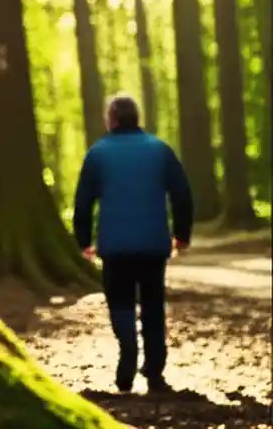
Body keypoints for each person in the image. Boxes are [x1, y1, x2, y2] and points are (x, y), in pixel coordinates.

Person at [72, 94, 193, 394]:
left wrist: (83, 240)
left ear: (111, 119)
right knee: (153, 305)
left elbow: (83, 202)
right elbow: (182, 195)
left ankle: (128, 357)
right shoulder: (160, 150)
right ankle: (154, 371)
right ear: (136, 118)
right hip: (153, 244)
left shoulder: (97, 154)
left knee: (121, 303)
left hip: (115, 247)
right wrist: (182, 234)